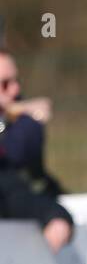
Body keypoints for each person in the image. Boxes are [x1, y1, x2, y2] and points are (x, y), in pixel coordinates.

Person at [0, 47, 65, 199]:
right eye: (5, 84)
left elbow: (43, 108)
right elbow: (12, 156)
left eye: (16, 81)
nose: (15, 89)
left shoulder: (21, 118)